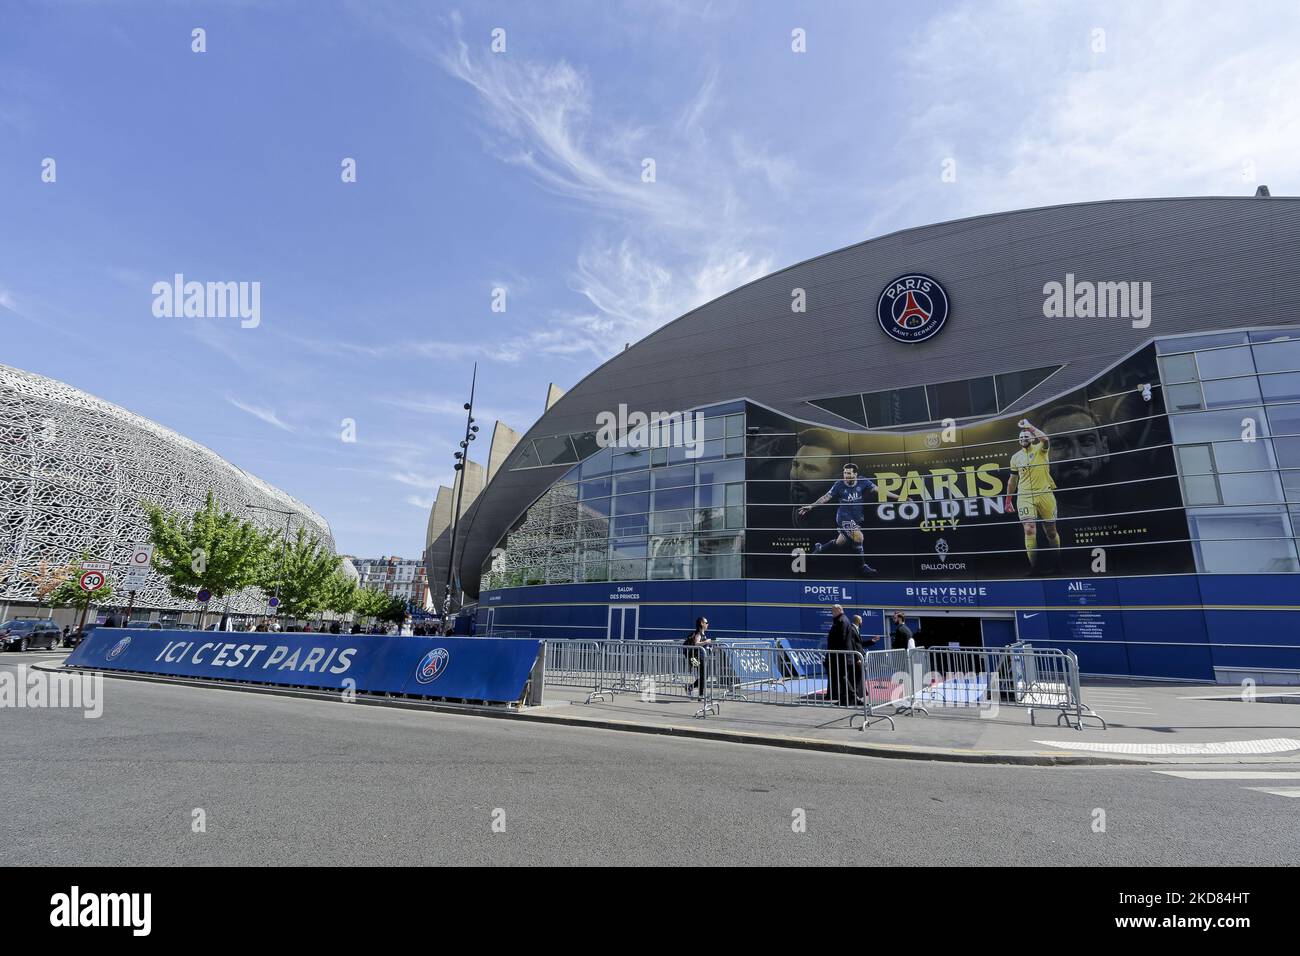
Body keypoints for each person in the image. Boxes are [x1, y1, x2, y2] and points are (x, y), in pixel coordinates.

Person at [798, 463, 901, 575]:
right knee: (859, 537)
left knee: (840, 542)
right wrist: (811, 506)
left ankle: (820, 548)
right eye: (845, 473)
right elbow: (825, 497)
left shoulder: (863, 481)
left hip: (856, 518)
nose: (846, 475)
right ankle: (862, 567)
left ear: (855, 474)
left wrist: (899, 497)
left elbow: (879, 490)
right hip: (843, 517)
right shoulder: (839, 485)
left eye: (848, 473)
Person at [1006, 418, 1061, 573]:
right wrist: (1008, 499)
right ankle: (1035, 568)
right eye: (1021, 437)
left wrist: (1029, 427)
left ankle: (1057, 564)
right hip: (1024, 496)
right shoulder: (1015, 458)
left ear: (1031, 437)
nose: (1024, 439)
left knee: (1050, 530)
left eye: (1026, 436)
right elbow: (1013, 479)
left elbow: (1045, 439)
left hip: (1045, 494)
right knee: (1029, 529)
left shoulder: (1041, 449)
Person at [826, 605, 854, 704]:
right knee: (841, 677)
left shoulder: (841, 621)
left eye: (833, 611)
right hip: (842, 654)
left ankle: (851, 697)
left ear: (838, 610)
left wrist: (834, 652)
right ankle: (846, 698)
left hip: (840, 655)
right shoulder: (843, 620)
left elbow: (840, 638)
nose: (832, 613)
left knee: (841, 677)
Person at [682, 617, 712, 697]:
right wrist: (706, 641)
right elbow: (696, 643)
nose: (707, 624)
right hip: (697, 657)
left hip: (701, 657)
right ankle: (700, 694)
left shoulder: (702, 634)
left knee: (704, 676)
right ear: (702, 623)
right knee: (704, 676)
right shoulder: (699, 633)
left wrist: (708, 645)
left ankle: (692, 688)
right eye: (706, 622)